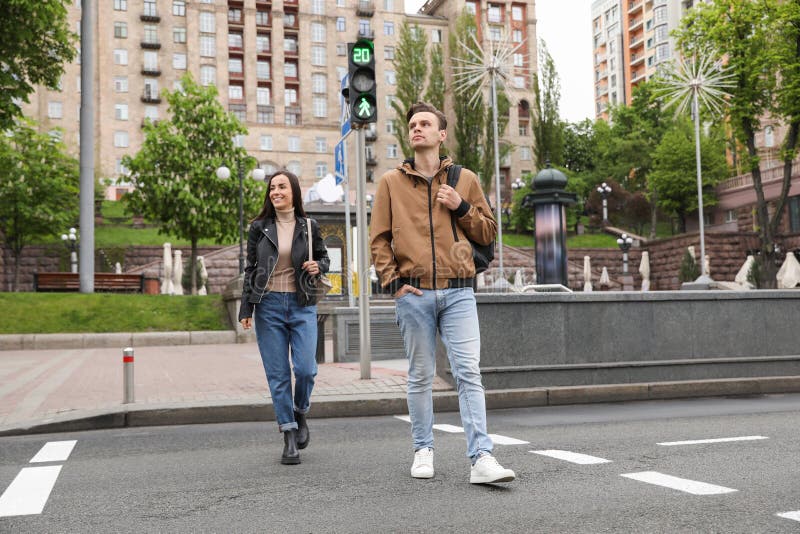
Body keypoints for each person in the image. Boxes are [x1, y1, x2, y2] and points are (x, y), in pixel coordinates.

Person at [370, 102, 515, 484]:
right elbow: (379, 239)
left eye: (425, 124)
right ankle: (423, 449)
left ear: (441, 134)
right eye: (413, 124)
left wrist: (461, 205)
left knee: (468, 372)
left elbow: (487, 232)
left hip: (459, 292)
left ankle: (482, 458)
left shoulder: (464, 178)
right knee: (420, 375)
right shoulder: (390, 183)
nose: (417, 128)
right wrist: (392, 283)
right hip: (413, 294)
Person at [239, 170, 330, 465]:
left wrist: (319, 265)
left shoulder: (309, 225)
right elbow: (251, 269)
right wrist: (246, 308)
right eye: (272, 188)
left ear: (293, 191)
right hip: (268, 306)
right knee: (278, 374)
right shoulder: (259, 227)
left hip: (302, 302)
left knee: (306, 369)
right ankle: (289, 435)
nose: (275, 191)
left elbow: (324, 257)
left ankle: (300, 410)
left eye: (281, 186)